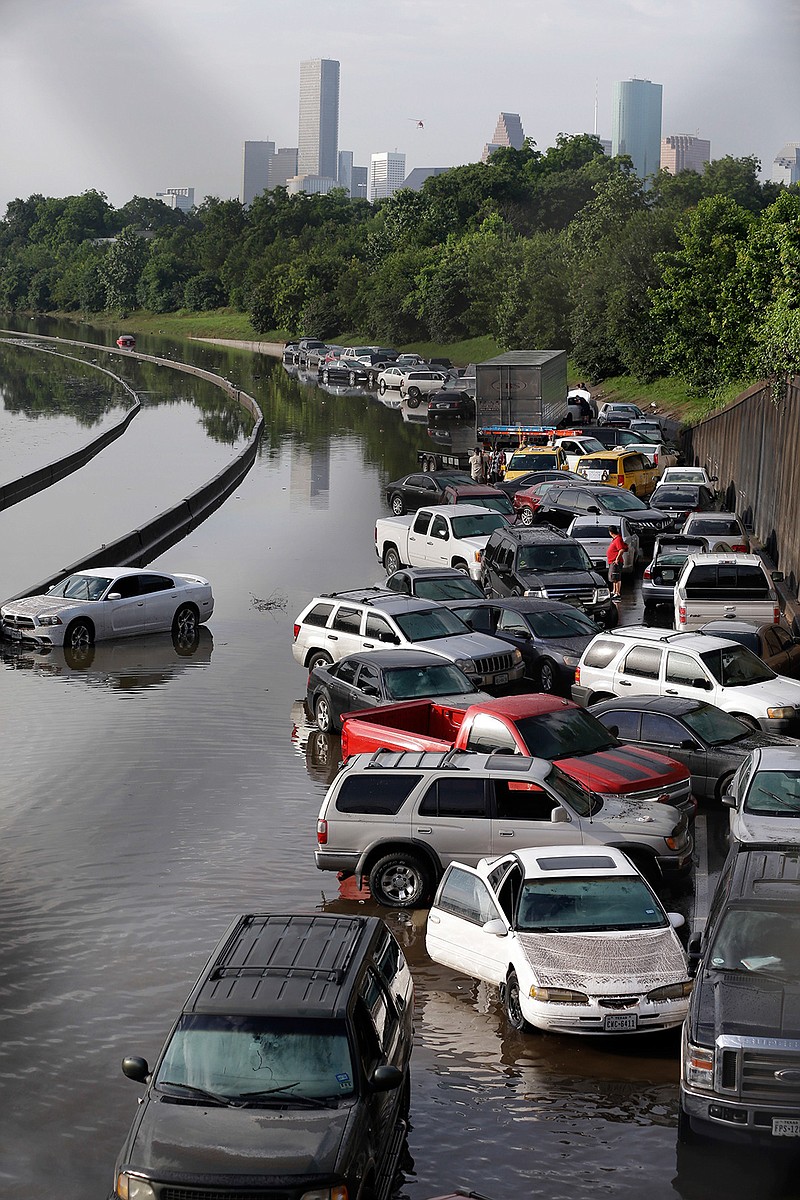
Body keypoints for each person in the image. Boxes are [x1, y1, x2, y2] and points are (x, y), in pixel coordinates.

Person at [606, 525, 628, 599]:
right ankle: (614, 591)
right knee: (613, 577)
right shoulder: (615, 539)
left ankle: (617, 593)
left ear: (611, 532)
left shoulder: (618, 539)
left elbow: (621, 549)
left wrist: (617, 559)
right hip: (612, 561)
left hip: (615, 562)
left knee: (616, 577)